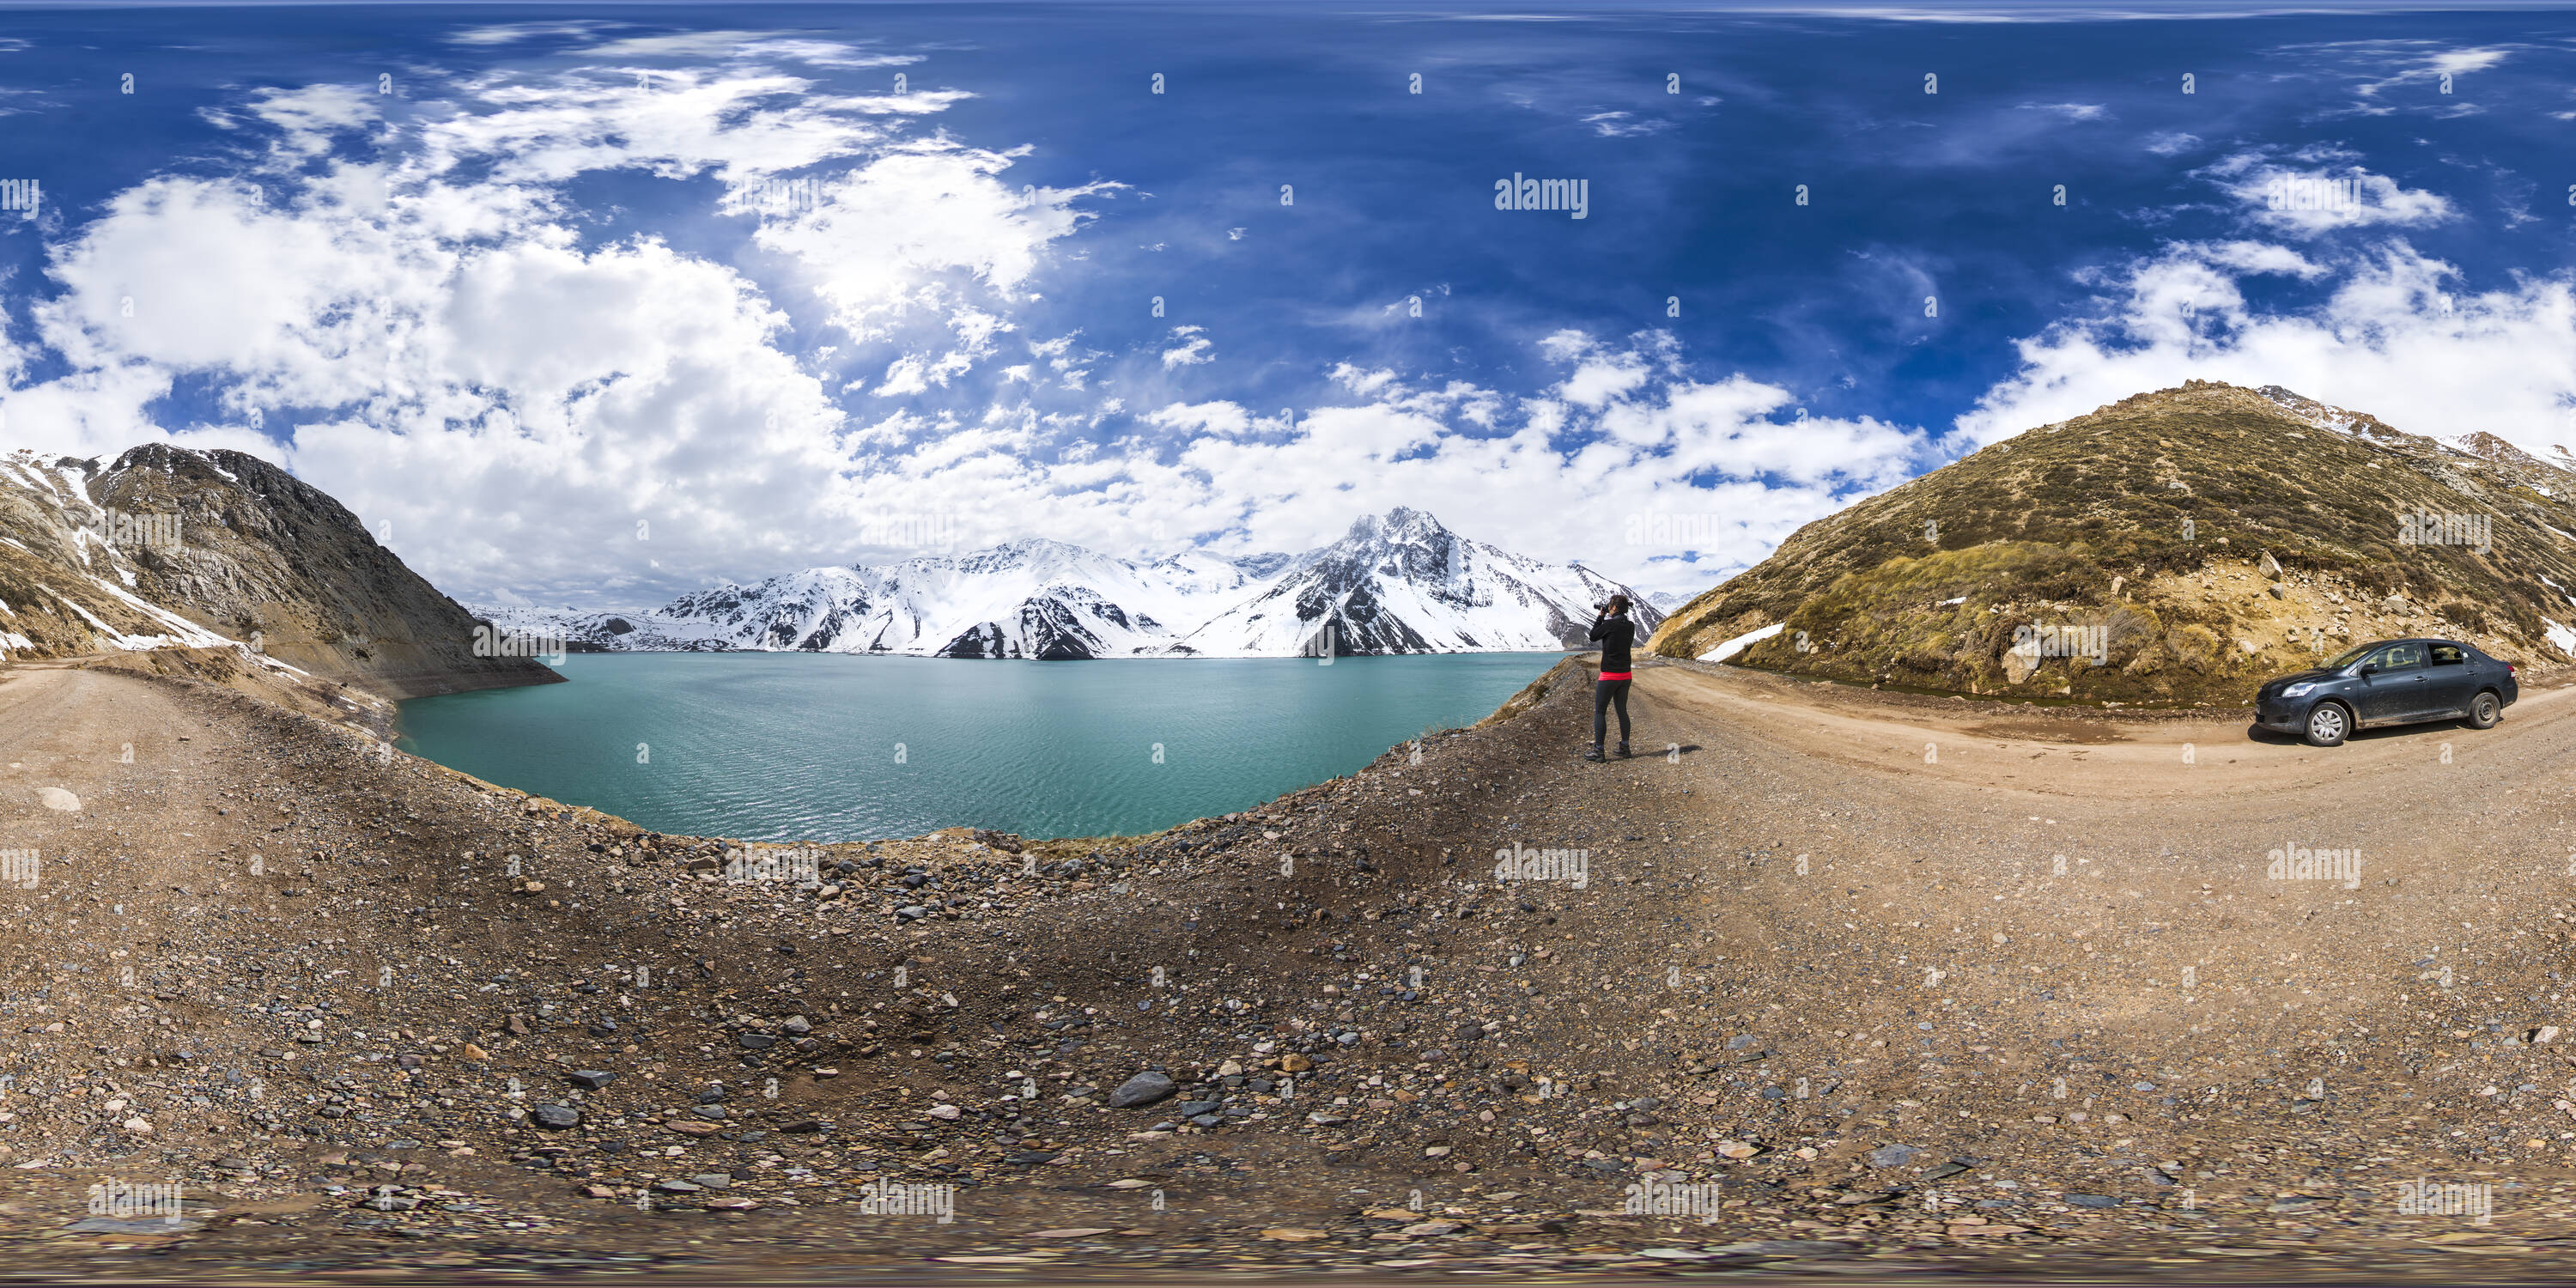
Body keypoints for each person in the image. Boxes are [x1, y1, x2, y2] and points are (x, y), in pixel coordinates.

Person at [1585, 596, 1635, 762]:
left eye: (1610, 606)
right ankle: (1625, 747)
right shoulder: (1630, 626)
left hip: (1609, 675)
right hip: (1625, 675)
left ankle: (1599, 751)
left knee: (1600, 711)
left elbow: (1593, 636)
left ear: (1613, 608)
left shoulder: (1609, 624)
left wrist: (1600, 617)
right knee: (1622, 710)